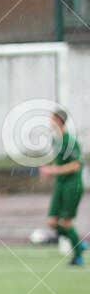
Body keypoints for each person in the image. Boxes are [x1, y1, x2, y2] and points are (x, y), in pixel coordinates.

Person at [38, 107, 85, 268]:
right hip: (60, 185)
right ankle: (78, 243)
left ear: (58, 121)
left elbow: (76, 165)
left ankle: (78, 257)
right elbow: (59, 163)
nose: (50, 122)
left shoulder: (70, 141)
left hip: (72, 185)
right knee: (52, 222)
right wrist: (49, 170)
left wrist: (53, 170)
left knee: (66, 223)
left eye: (52, 119)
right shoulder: (56, 141)